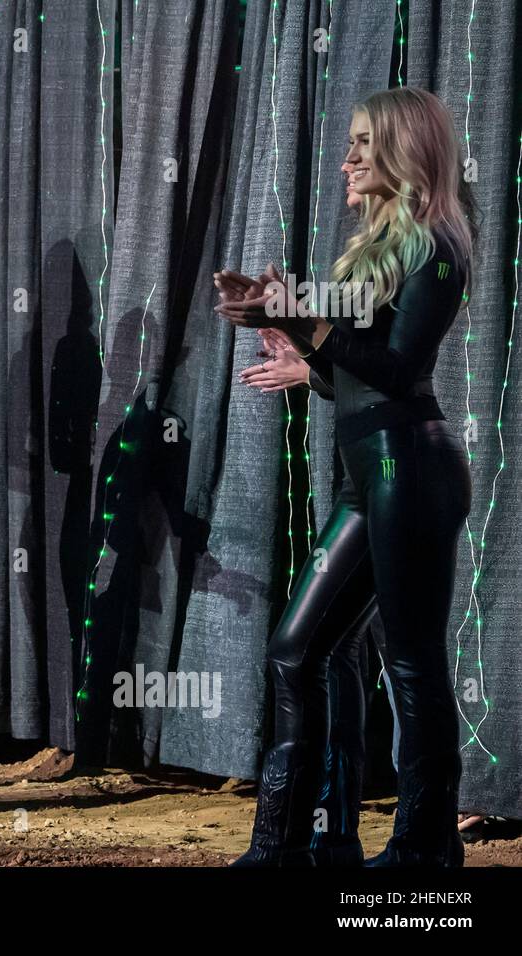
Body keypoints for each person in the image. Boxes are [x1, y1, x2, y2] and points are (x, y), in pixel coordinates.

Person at [216, 87, 474, 866]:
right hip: (372, 475)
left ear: (403, 149)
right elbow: (357, 373)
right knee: (298, 650)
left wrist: (300, 321)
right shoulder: (375, 247)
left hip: (411, 471)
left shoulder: (436, 244)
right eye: (351, 142)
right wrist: (306, 357)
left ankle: (426, 851)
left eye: (365, 143)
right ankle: (297, 845)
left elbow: (399, 370)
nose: (348, 157)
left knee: (411, 661)